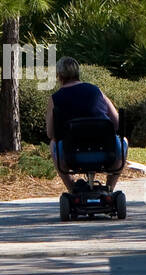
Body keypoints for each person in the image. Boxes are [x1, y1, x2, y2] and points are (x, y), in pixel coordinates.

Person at [46, 56, 125, 193]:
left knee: (53, 143)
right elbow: (116, 123)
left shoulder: (55, 98)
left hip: (72, 155)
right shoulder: (96, 91)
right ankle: (110, 187)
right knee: (123, 140)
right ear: (78, 73)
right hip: (106, 152)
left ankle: (72, 189)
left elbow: (51, 133)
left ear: (58, 76)